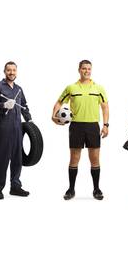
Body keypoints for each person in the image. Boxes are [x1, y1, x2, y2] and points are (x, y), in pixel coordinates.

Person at [52, 60, 110, 200]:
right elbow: (59, 102)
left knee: (95, 158)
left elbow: (105, 107)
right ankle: (71, 189)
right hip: (76, 126)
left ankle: (96, 189)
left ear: (91, 70)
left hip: (93, 126)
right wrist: (54, 115)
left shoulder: (99, 88)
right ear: (79, 70)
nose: (86, 71)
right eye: (84, 68)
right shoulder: (71, 88)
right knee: (74, 158)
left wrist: (106, 125)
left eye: (89, 69)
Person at [0, 61, 32, 199]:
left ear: (16, 72)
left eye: (14, 70)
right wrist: (3, 105)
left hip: (18, 128)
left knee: (18, 158)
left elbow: (24, 105)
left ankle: (15, 187)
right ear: (4, 71)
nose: (11, 72)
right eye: (9, 70)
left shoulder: (19, 89)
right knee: (2, 158)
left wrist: (29, 120)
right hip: (4, 128)